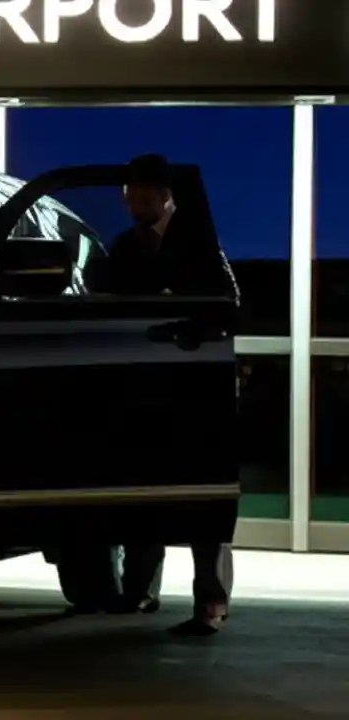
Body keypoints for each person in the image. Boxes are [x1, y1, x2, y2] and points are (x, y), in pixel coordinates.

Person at [105, 153, 238, 636]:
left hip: (196, 384)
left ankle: (211, 604)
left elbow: (230, 305)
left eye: (144, 196)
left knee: (206, 495)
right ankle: (138, 590)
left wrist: (182, 319)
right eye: (130, 196)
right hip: (140, 384)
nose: (136, 204)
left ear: (167, 196)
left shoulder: (200, 244)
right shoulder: (122, 248)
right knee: (144, 485)